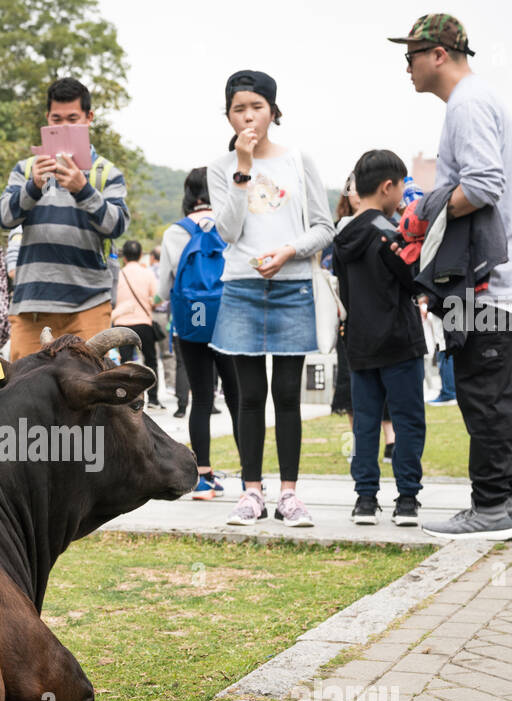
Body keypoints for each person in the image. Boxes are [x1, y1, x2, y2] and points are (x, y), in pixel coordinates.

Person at [392, 15, 512, 541]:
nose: (405, 67)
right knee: (498, 393)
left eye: (409, 55)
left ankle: (490, 507)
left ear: (436, 54)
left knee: (483, 394)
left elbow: (482, 185)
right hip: (500, 278)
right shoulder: (477, 99)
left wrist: (425, 213)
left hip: (487, 281)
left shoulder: (469, 103)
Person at [208, 70, 334, 527]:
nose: (248, 116)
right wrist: (241, 171)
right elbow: (227, 232)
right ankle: (251, 492)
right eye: (238, 108)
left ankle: (289, 494)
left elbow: (325, 226)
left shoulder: (299, 160)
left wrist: (289, 251)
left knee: (286, 394)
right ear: (227, 114)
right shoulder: (220, 167)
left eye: (256, 106)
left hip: (292, 284)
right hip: (241, 285)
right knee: (247, 395)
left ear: (274, 111)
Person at [0, 77, 129, 360]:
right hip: (32, 304)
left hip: (89, 303)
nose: (64, 128)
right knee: (24, 391)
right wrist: (33, 186)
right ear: (47, 119)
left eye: (73, 119)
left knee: (90, 391)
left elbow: (117, 225)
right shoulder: (27, 168)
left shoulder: (106, 172)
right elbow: (2, 217)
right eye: (57, 120)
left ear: (89, 118)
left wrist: (84, 190)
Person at [333, 150, 428, 526]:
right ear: (389, 187)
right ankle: (407, 499)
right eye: (402, 184)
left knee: (366, 423)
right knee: (407, 421)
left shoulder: (343, 236)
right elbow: (413, 282)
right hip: (399, 340)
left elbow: (344, 290)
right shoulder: (393, 233)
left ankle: (365, 500)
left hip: (358, 339)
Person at [157, 166, 241, 498]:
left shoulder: (174, 232)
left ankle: (203, 477)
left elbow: (164, 290)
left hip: (191, 323)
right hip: (229, 320)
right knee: (238, 398)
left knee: (201, 398)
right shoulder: (231, 226)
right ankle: (252, 477)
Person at [112, 240, 163, 407]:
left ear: (124, 257)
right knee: (150, 361)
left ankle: (128, 399)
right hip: (143, 323)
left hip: (122, 324)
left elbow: (112, 300)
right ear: (141, 255)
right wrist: (148, 302)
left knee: (126, 363)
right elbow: (156, 299)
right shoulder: (147, 273)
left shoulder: (118, 274)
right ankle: (153, 398)